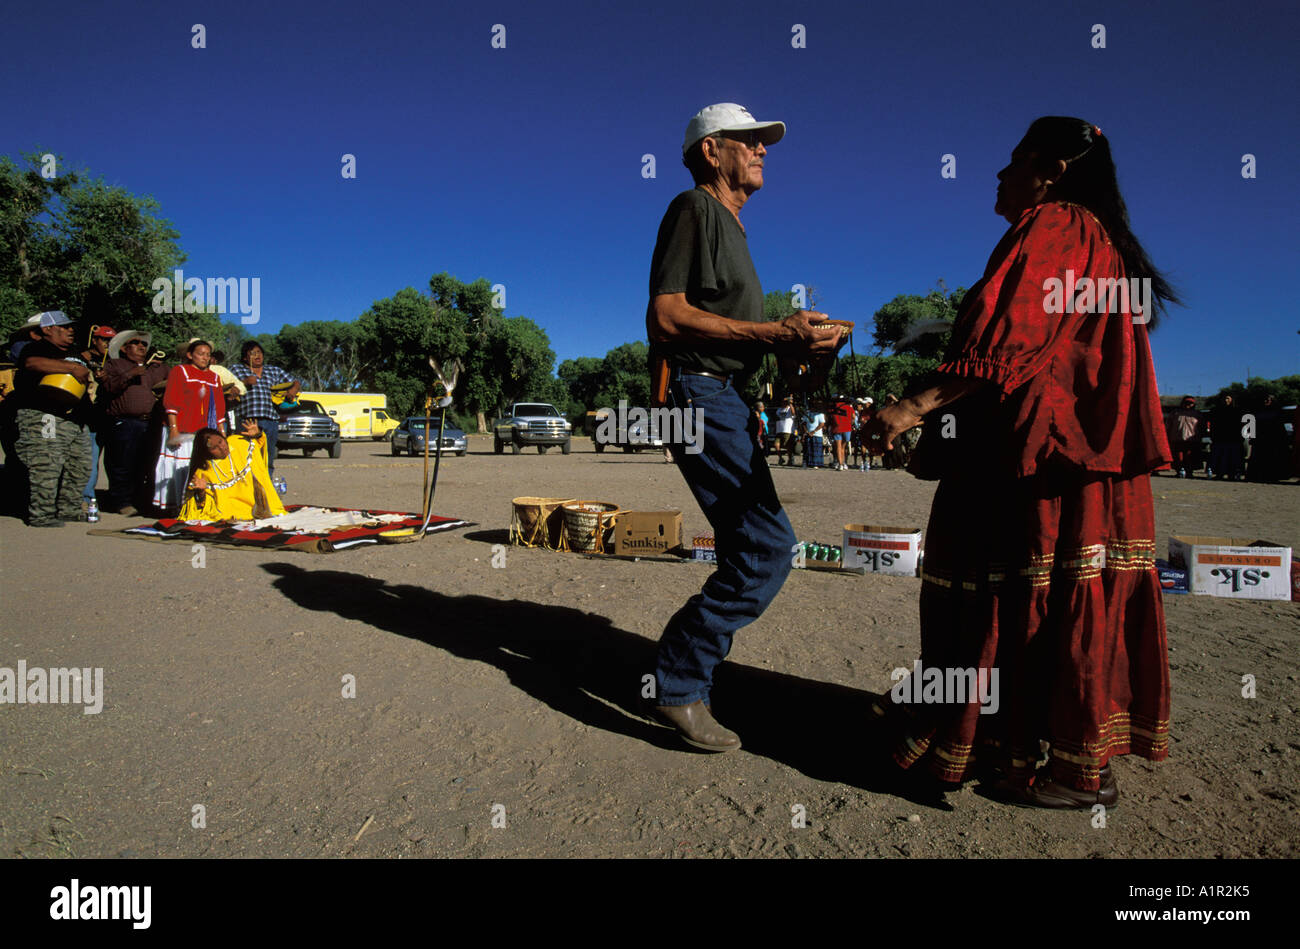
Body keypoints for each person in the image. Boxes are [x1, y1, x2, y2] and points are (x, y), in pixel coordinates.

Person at [867, 117, 1177, 808]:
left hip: (1048, 464)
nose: (999, 177)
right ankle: (1014, 745)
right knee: (1027, 599)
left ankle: (1062, 768)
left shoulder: (1059, 224)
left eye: (1012, 163)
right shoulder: (1096, 240)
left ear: (1052, 170)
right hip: (1065, 459)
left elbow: (1013, 336)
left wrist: (911, 406)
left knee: (1021, 594)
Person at [644, 102, 842, 751]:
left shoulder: (733, 227)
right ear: (711, 150)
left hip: (725, 396)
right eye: (749, 141)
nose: (762, 150)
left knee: (747, 546)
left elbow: (739, 337)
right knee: (767, 547)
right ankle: (676, 680)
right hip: (700, 394)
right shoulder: (693, 208)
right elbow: (668, 316)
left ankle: (681, 677)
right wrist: (769, 331)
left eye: (764, 143)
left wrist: (798, 347)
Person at [12, 311, 93, 527]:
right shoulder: (35, 348)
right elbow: (32, 364)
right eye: (64, 326)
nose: (70, 330)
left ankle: (69, 509)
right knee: (46, 464)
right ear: (47, 329)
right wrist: (72, 367)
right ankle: (42, 514)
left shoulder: (75, 351)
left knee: (81, 465)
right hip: (45, 415)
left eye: (71, 326)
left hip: (75, 419)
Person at [100, 330, 169, 515]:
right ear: (123, 348)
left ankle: (141, 500)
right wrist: (130, 374)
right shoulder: (114, 364)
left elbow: (171, 380)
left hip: (149, 423)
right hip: (125, 422)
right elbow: (108, 387)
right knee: (122, 463)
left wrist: (160, 367)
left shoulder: (152, 368)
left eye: (144, 344)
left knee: (145, 463)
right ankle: (122, 502)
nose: (141, 346)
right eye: (136, 343)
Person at [153, 339, 225, 514]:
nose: (205, 358)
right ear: (189, 355)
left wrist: (221, 434)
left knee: (201, 467)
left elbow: (219, 408)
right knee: (179, 468)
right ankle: (175, 506)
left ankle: (198, 505)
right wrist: (173, 430)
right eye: (201, 354)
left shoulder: (214, 377)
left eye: (208, 355)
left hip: (204, 432)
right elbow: (172, 401)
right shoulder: (180, 371)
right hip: (182, 428)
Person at [179, 420, 286, 521]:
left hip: (260, 506)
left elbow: (259, 447)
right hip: (231, 515)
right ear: (206, 452)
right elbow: (199, 509)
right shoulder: (203, 471)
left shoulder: (237, 442)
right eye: (214, 448)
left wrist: (257, 434)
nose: (222, 448)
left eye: (221, 442)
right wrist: (201, 492)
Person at [232, 341, 299, 477]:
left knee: (267, 457)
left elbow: (295, 382)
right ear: (245, 358)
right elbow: (227, 387)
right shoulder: (236, 369)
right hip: (247, 420)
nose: (257, 356)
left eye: (259, 352)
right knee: (247, 457)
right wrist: (244, 382)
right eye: (252, 353)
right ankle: (249, 491)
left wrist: (293, 390)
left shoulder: (273, 370)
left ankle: (267, 487)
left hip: (271, 421)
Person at [79, 324, 115, 511]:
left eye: (111, 340)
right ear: (95, 340)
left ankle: (113, 497)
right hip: (91, 416)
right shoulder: (82, 358)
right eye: (104, 339)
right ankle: (87, 496)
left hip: (111, 416)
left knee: (113, 461)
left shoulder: (114, 361)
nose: (108, 344)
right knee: (91, 458)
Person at [1246, 394, 1289, 483]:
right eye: (1265, 399)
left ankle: (1272, 476)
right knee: (1258, 458)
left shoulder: (1277, 412)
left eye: (1268, 400)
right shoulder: (1258, 411)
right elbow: (1252, 425)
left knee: (1272, 459)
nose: (1266, 401)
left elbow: (1280, 427)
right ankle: (1256, 476)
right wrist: (1252, 437)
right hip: (1259, 440)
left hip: (1273, 440)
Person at [1208, 394, 1244, 481]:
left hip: (1233, 438)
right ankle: (1219, 474)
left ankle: (1232, 474)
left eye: (1227, 398)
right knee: (1219, 457)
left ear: (1232, 399)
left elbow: (1242, 424)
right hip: (1219, 438)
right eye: (1224, 398)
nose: (1225, 400)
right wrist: (1212, 435)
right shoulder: (1216, 411)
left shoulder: (1238, 411)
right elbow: (1213, 424)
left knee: (1232, 457)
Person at [1165, 396, 1202, 478]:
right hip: (1177, 438)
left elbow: (1201, 426)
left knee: (1190, 457)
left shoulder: (1197, 414)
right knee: (1178, 457)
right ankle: (1178, 471)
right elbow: (1168, 425)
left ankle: (1189, 472)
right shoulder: (1175, 413)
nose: (1188, 405)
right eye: (1186, 403)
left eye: (1190, 403)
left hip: (1192, 439)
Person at [829, 394, 854, 470]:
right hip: (847, 428)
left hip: (836, 429)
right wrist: (850, 423)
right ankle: (844, 462)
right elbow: (853, 417)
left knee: (838, 447)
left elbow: (830, 418)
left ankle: (840, 464)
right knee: (844, 447)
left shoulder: (832, 409)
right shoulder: (848, 408)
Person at [773, 396, 796, 465]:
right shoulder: (779, 410)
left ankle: (790, 459)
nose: (784, 403)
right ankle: (781, 458)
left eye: (785, 401)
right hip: (779, 430)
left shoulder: (789, 409)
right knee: (776, 445)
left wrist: (790, 404)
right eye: (783, 401)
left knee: (787, 446)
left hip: (787, 430)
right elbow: (776, 418)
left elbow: (793, 413)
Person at [802, 402, 826, 468]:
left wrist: (814, 431)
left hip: (817, 434)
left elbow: (822, 424)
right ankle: (807, 463)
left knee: (816, 450)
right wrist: (807, 431)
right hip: (808, 434)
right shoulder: (807, 414)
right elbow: (803, 423)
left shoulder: (820, 414)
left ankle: (816, 464)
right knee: (808, 449)